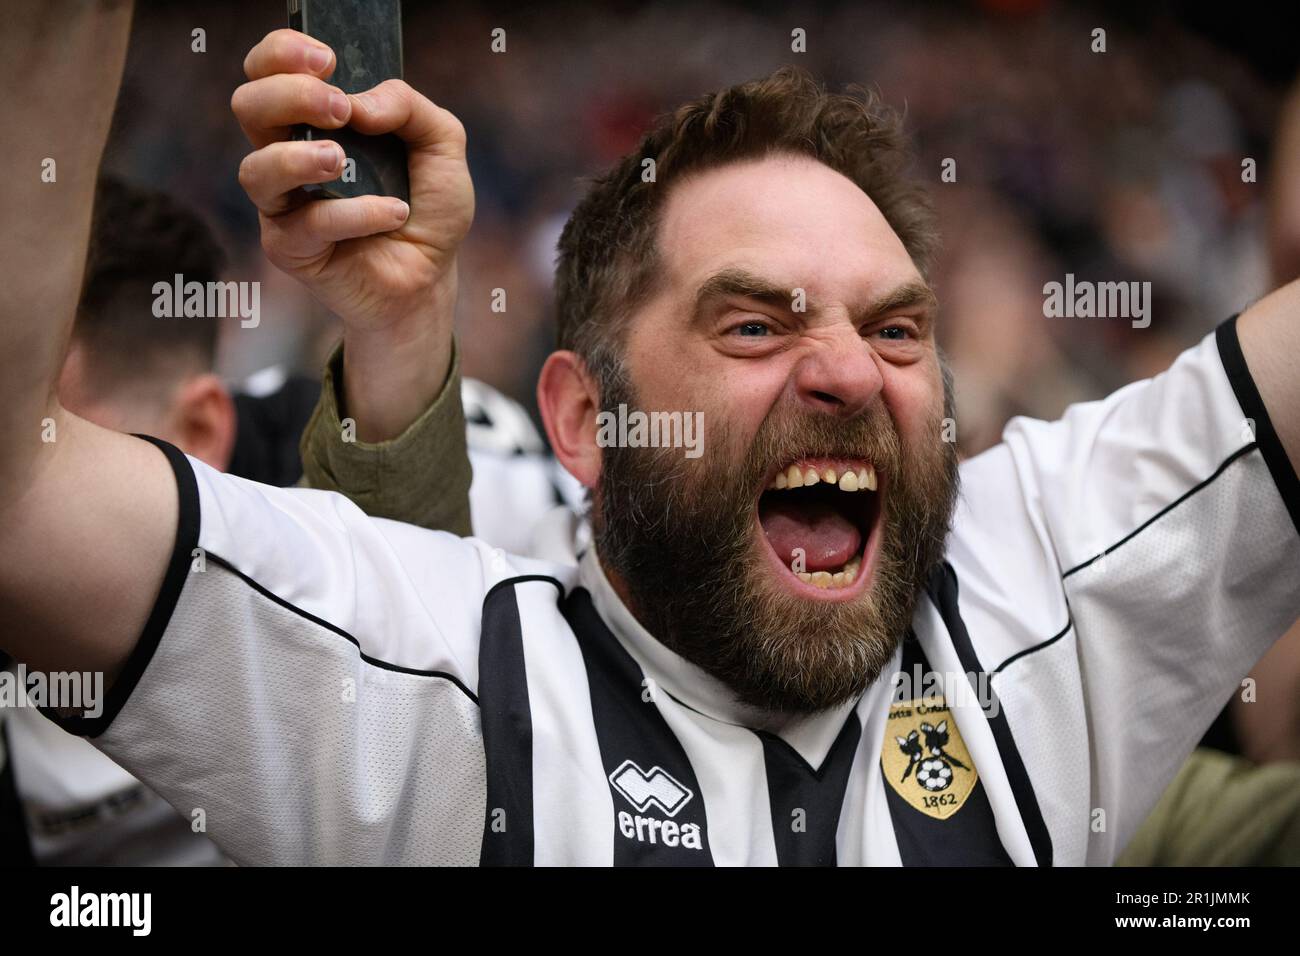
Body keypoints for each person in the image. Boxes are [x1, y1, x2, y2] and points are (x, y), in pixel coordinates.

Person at [2, 10, 1298, 865]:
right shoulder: (451, 687)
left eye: (901, 332)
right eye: (753, 328)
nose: (850, 370)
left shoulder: (1047, 572)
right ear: (582, 417)